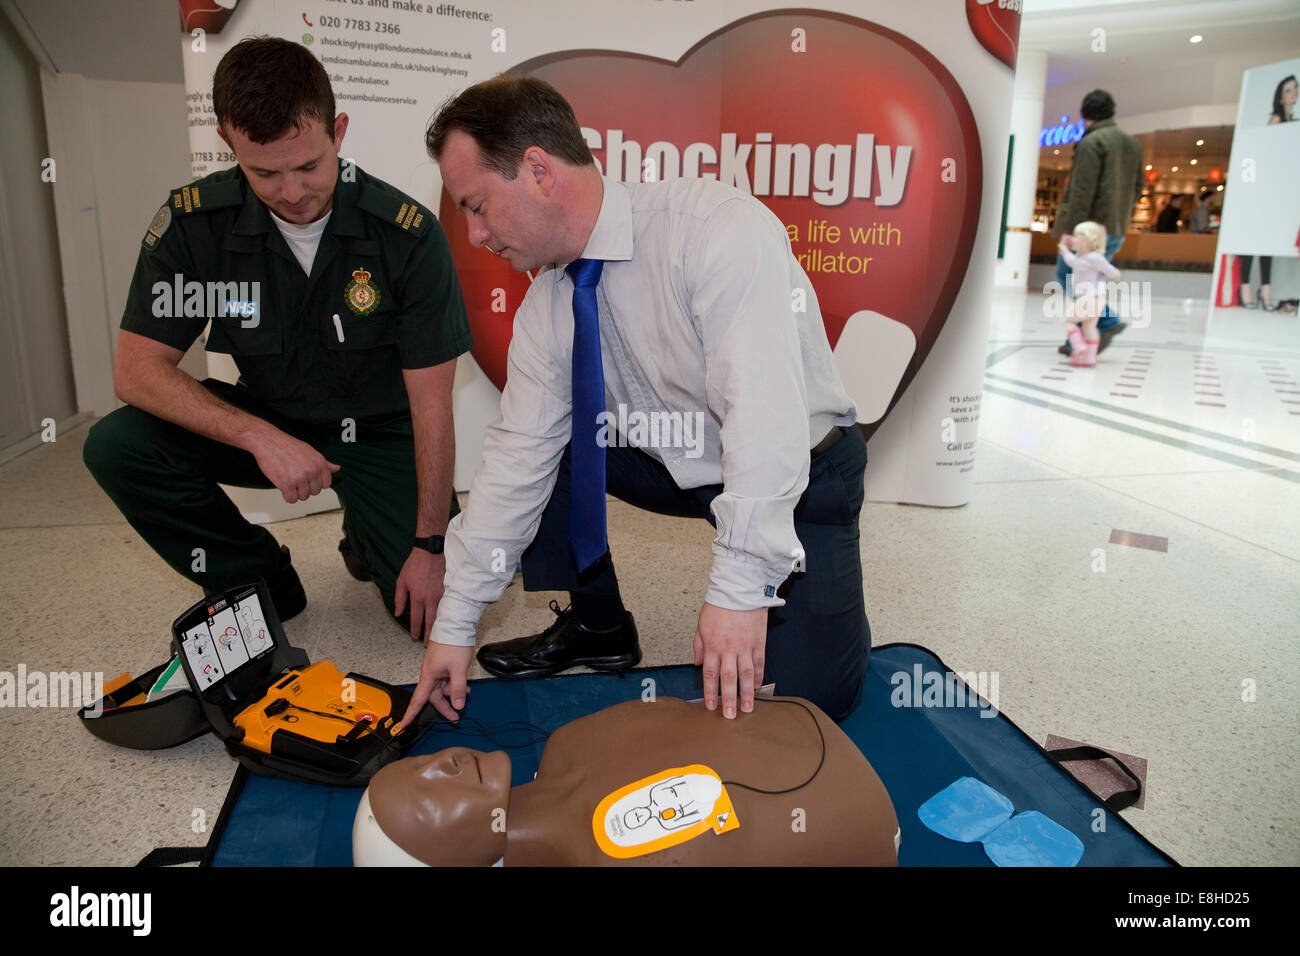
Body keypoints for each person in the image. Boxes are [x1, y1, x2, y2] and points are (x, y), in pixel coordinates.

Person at [402, 75, 869, 727]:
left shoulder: (715, 229)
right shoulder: (549, 304)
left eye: (476, 205)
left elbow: (766, 421)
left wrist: (738, 593)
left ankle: (778, 569)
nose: (475, 235)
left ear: (537, 170)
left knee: (806, 707)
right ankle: (598, 626)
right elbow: (515, 464)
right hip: (672, 461)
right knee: (545, 445)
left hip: (801, 473)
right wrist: (454, 624)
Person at [82, 38, 472, 640]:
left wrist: (431, 544)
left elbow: (432, 404)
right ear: (228, 143)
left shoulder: (406, 237)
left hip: (382, 431)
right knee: (116, 445)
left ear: (338, 131)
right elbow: (137, 372)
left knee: (435, 616)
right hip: (271, 416)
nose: (292, 192)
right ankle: (256, 576)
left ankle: (368, 533)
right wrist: (261, 437)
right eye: (264, 172)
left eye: (309, 166)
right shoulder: (195, 228)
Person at [357, 696, 899, 866]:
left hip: (810, 733)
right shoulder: (610, 853)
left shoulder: (569, 741)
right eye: (426, 795)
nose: (442, 762)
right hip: (861, 815)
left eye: (417, 765)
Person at [1052, 89, 1143, 357]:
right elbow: (1138, 188)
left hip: (1089, 229)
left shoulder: (1092, 143)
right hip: (1115, 226)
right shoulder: (1132, 144)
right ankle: (1083, 338)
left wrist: (1072, 233)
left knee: (1069, 276)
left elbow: (1081, 192)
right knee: (1089, 281)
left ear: (1085, 115)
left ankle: (1104, 321)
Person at [1058, 222, 1120, 367]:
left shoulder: (1094, 257)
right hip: (1095, 300)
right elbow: (1073, 263)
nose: (1072, 239)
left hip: (1088, 298)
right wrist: (1064, 251)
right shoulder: (1082, 257)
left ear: (1087, 239)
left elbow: (1110, 271)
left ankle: (1079, 347)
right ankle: (1089, 358)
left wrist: (1116, 274)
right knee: (1089, 328)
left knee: (1069, 321)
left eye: (1076, 236)